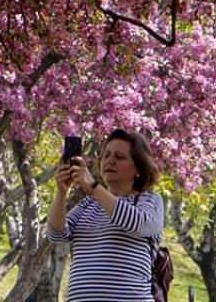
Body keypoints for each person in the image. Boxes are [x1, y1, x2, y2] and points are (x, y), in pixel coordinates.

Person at [46, 128, 164, 302]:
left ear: (139, 168)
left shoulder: (149, 200)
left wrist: (93, 187)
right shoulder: (88, 204)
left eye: (119, 157)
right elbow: (56, 234)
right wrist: (61, 193)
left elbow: (140, 225)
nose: (110, 161)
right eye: (106, 155)